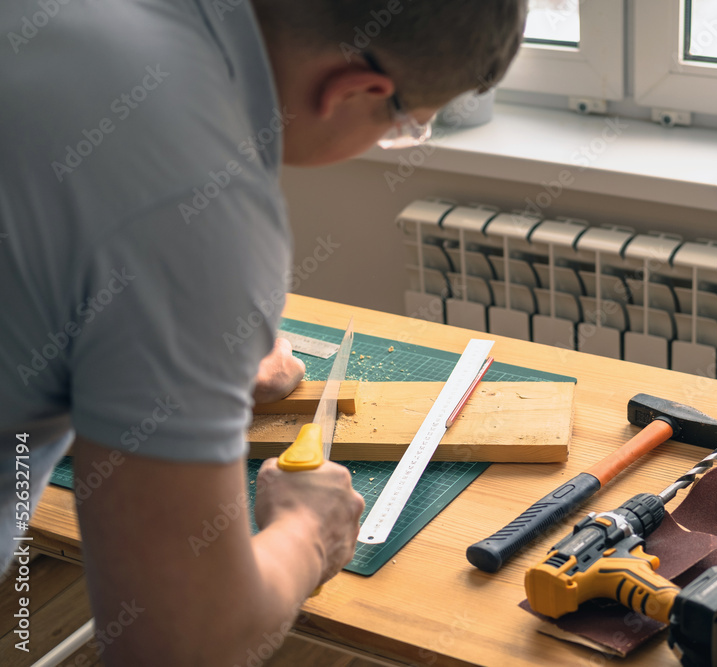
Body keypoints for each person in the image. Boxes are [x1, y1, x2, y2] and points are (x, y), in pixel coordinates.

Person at [0, 0, 526, 663]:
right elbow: (179, 644)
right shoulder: (198, 199)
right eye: (405, 127)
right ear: (353, 92)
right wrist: (309, 531)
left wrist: (165, 372)